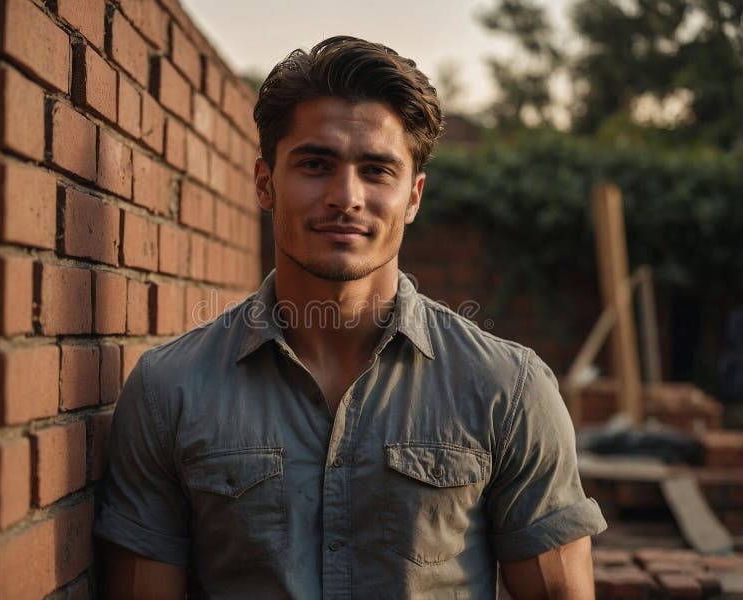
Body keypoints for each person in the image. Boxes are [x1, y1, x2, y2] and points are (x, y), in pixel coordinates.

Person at [94, 35, 607, 599]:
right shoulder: (169, 390)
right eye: (316, 164)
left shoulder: (508, 389)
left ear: (413, 197)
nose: (346, 196)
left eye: (376, 170)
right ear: (265, 182)